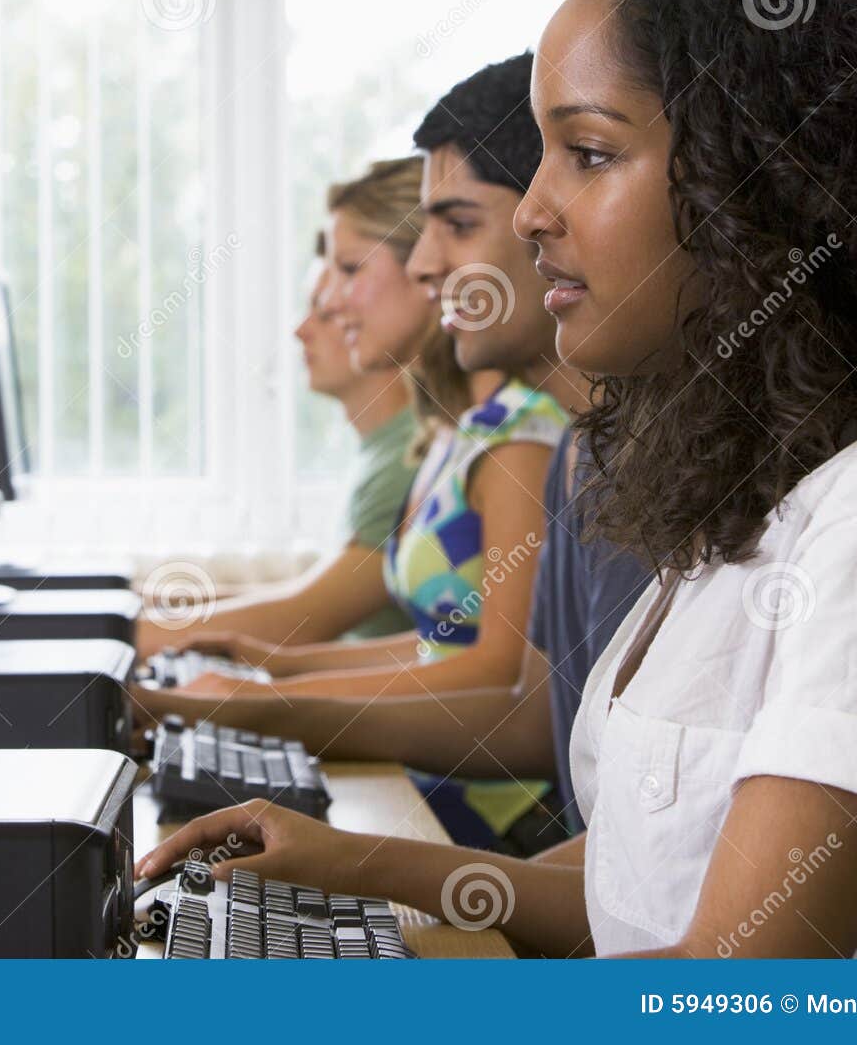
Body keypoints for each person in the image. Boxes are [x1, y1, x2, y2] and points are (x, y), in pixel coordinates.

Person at [139, 0, 857, 958]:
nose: (532, 210)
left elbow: (726, 994)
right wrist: (343, 861)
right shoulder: (739, 497)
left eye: (587, 152)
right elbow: (637, 883)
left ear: (761, 183)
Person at [140, 55, 621, 853]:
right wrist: (274, 680)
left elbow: (506, 693)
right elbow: (503, 684)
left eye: (457, 225)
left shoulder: (532, 437)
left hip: (500, 821)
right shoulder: (560, 445)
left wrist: (269, 697)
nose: (425, 264)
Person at [134, 173, 450, 656]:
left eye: (349, 273)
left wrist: (111, 633)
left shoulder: (412, 453)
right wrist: (130, 610)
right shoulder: (395, 450)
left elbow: (301, 618)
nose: (303, 328)